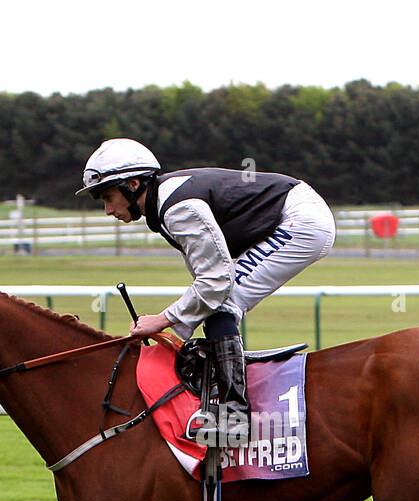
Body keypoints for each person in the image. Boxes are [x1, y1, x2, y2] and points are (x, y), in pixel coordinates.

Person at [77, 138, 336, 447]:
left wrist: (162, 320)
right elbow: (206, 279)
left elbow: (214, 283)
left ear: (133, 184)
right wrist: (177, 330)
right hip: (297, 213)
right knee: (219, 306)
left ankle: (235, 419)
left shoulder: (177, 208)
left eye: (108, 197)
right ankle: (229, 412)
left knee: (224, 306)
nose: (108, 210)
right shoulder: (165, 204)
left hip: (301, 221)